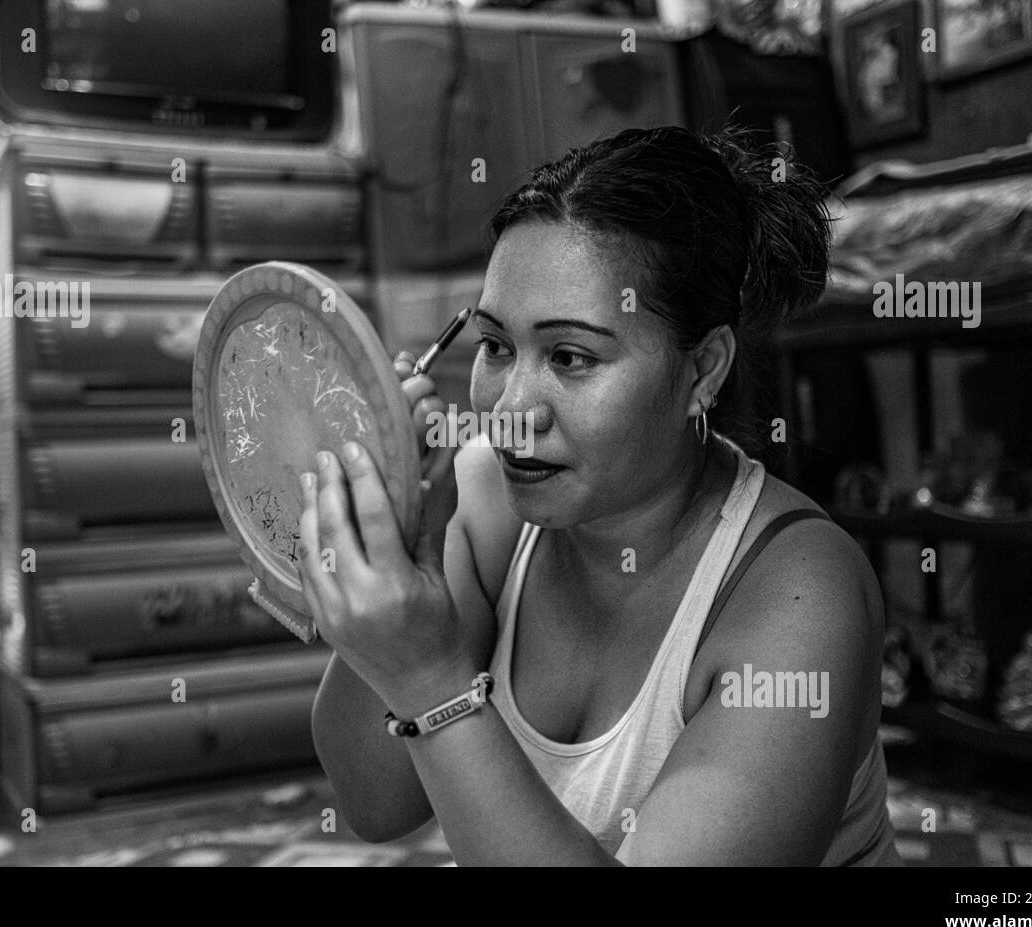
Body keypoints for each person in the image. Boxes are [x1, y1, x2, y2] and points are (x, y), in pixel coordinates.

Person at [303, 125, 901, 865]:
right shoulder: (486, 500)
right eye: (495, 346)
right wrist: (403, 547)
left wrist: (431, 678)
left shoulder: (800, 591)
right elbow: (374, 803)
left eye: (570, 357)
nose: (512, 408)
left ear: (703, 370)